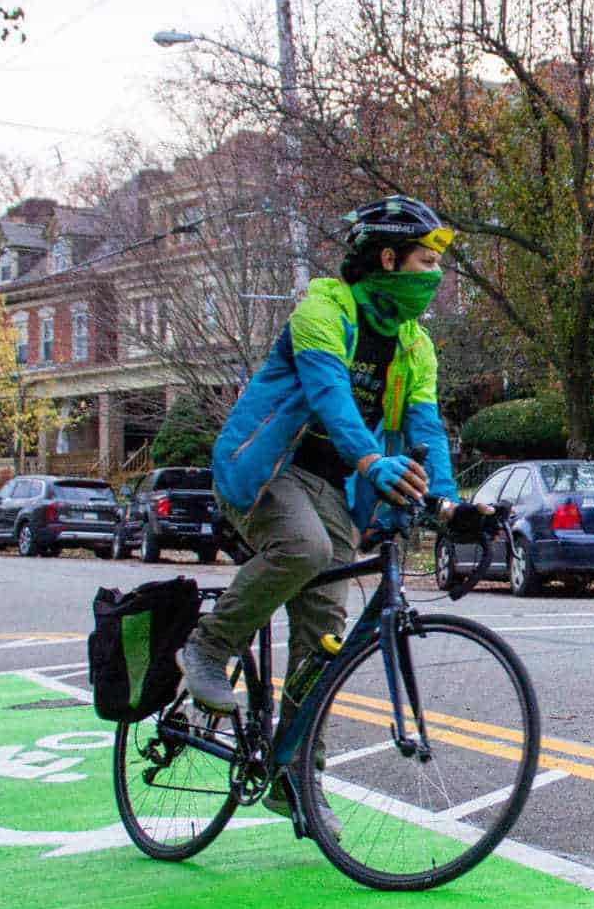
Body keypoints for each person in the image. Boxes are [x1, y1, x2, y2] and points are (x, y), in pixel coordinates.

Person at [176, 195, 480, 821]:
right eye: (425, 261)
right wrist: (373, 462)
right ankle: (209, 647)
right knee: (305, 550)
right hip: (269, 470)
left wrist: (449, 503)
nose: (435, 276)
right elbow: (330, 397)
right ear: (387, 258)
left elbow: (427, 425)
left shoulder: (415, 346)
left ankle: (295, 771)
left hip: (331, 489)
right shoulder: (322, 311)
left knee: (325, 639)